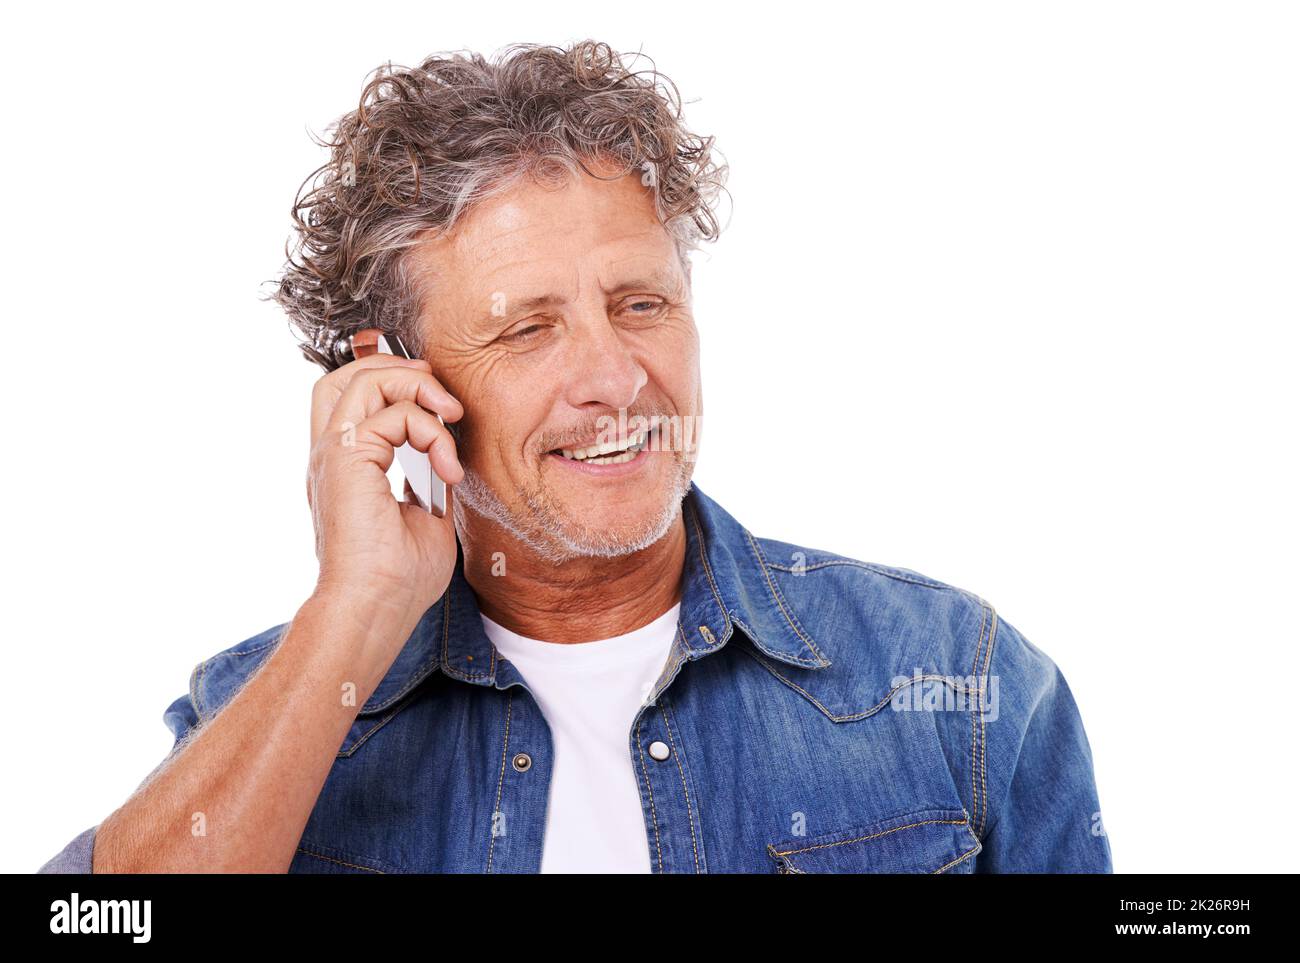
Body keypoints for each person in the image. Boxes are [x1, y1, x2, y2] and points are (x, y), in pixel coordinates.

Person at [40, 40, 1111, 874]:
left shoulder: (958, 680)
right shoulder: (265, 707)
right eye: (527, 328)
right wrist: (353, 610)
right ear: (397, 382)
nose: (616, 377)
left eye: (642, 304)